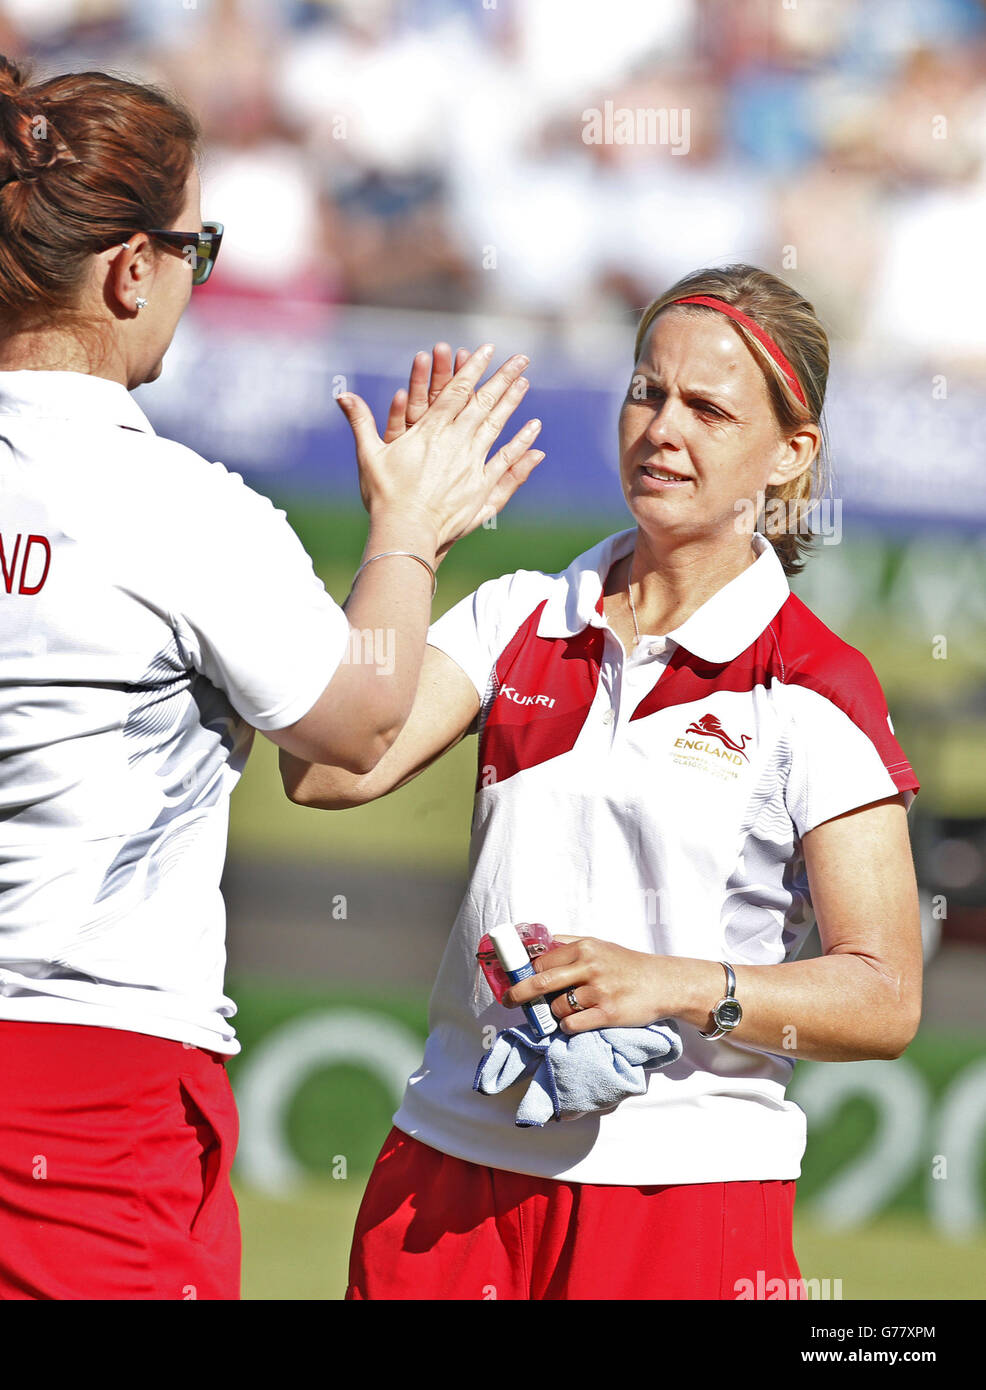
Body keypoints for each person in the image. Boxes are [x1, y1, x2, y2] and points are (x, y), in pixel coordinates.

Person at [0, 44, 544, 1300]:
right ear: (129, 270)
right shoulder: (181, 506)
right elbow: (359, 721)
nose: (193, 282)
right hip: (77, 1090)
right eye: (194, 251)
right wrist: (410, 535)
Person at [282, 264, 924, 1301]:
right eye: (647, 389)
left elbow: (885, 997)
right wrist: (404, 538)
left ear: (790, 454)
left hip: (684, 1198)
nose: (664, 429)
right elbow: (324, 768)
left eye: (710, 409)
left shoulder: (815, 682)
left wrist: (674, 983)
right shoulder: (518, 613)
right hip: (446, 1168)